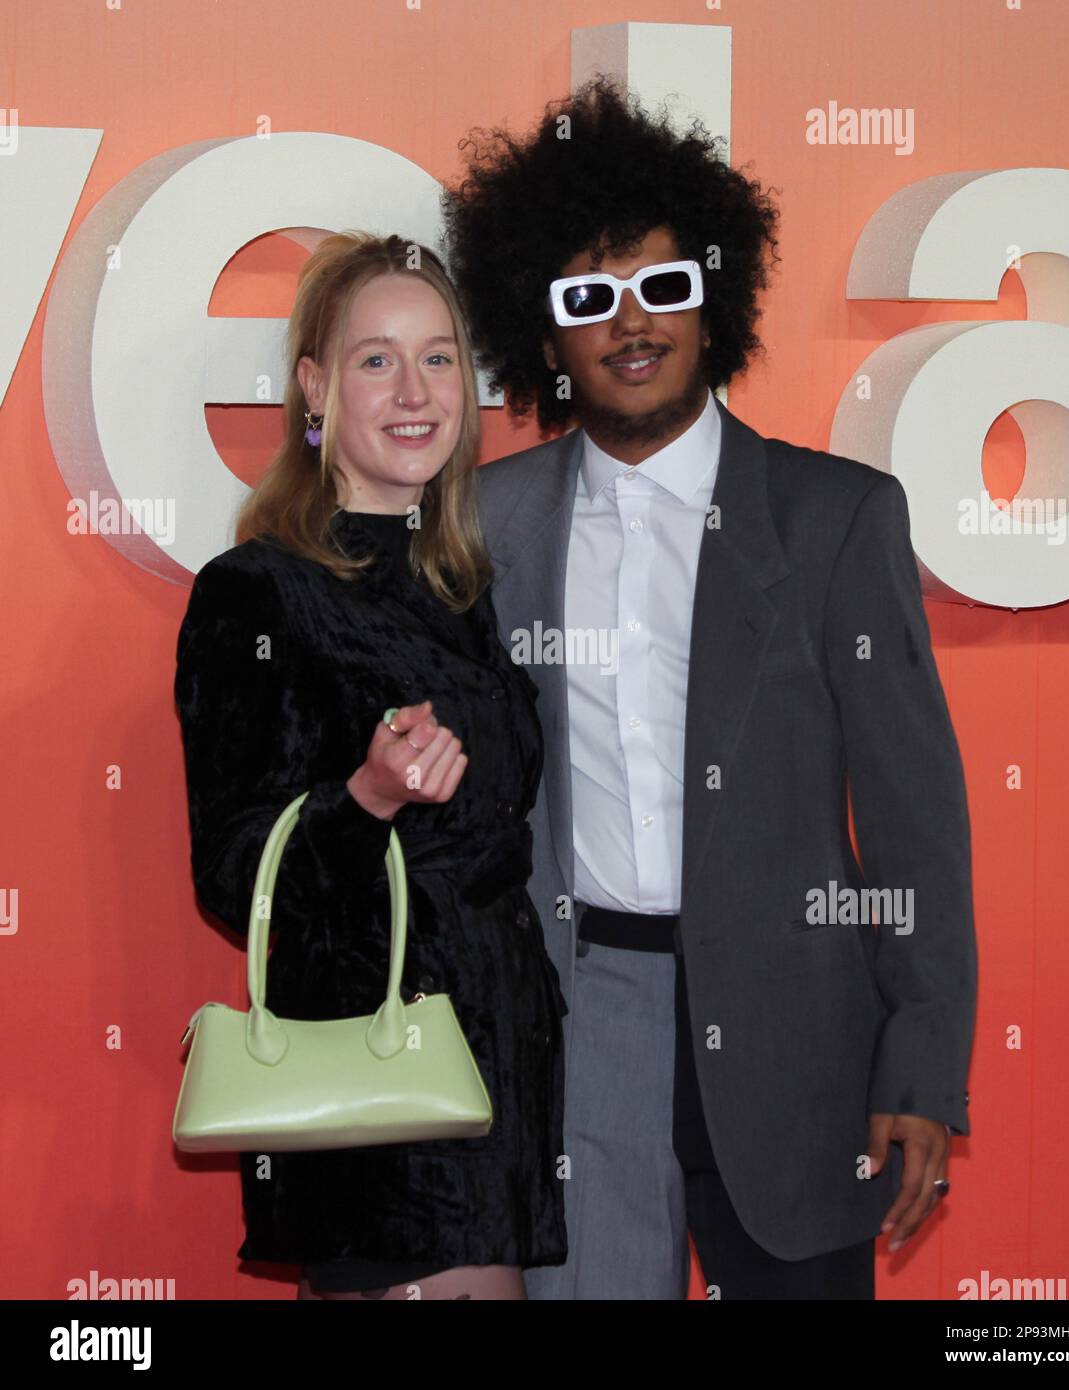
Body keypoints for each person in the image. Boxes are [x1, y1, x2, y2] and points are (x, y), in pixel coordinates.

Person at [443, 76, 977, 1299]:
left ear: (712, 300)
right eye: (589, 298)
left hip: (802, 1046)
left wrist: (920, 1066)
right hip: (579, 1036)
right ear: (545, 337)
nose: (631, 323)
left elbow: (915, 824)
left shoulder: (835, 518)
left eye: (662, 285)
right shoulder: (487, 526)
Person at [173, 231, 567, 1300]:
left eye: (438, 357)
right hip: (377, 1079)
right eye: (376, 359)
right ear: (314, 386)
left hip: (495, 1063)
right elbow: (235, 871)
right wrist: (366, 798)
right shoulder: (258, 591)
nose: (414, 391)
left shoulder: (464, 585)